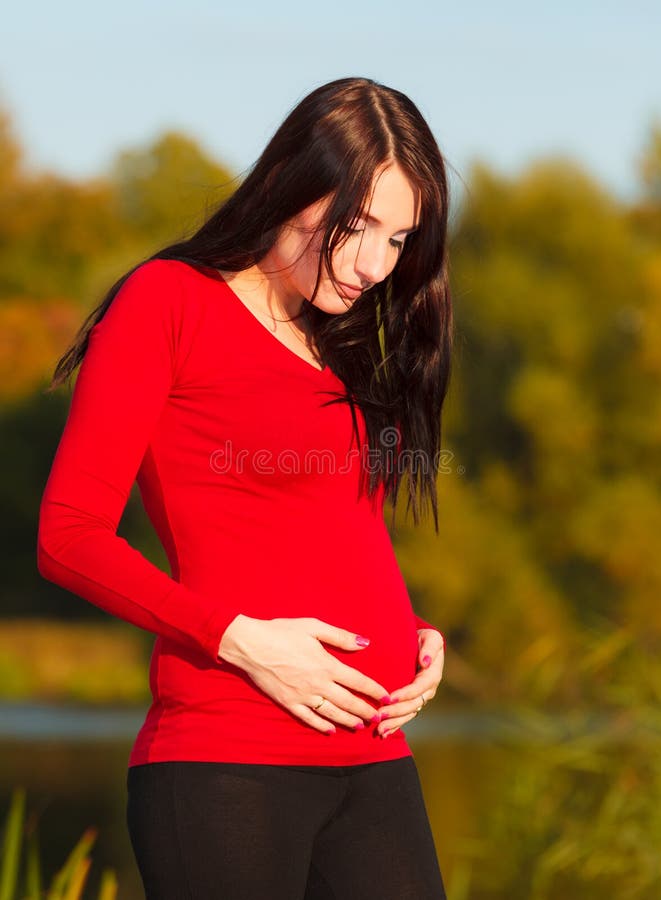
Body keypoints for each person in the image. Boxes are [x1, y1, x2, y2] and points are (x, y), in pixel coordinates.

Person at [37, 76, 452, 899]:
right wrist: (238, 639)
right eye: (356, 225)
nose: (375, 264)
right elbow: (68, 533)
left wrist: (411, 630)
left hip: (374, 756)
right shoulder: (170, 301)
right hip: (227, 763)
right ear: (292, 186)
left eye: (399, 240)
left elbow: (332, 528)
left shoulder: (333, 338)